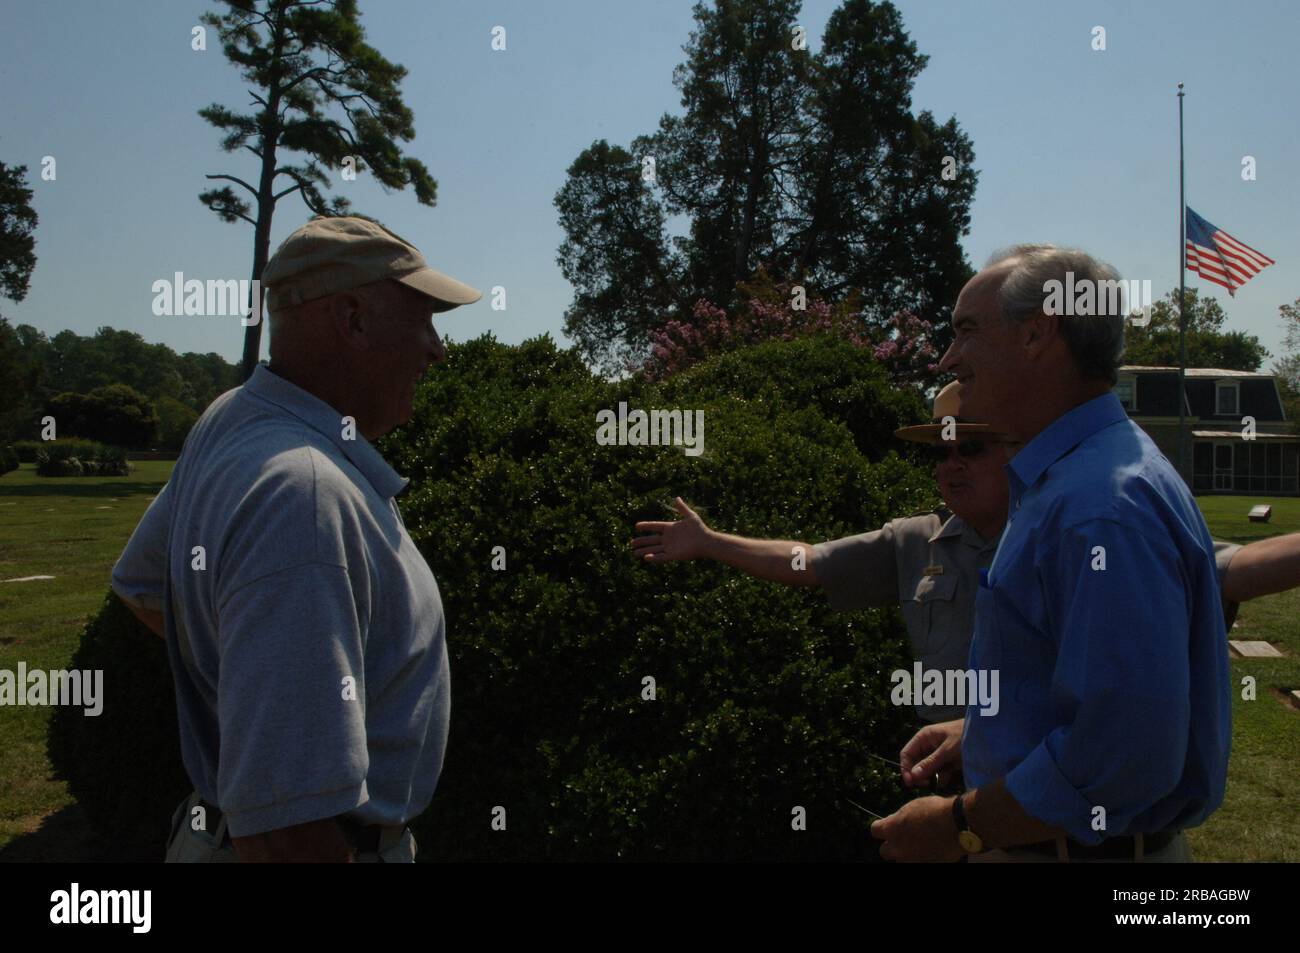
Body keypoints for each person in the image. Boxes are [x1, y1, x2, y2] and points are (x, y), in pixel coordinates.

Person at [110, 216, 480, 862]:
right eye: (422, 318)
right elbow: (287, 835)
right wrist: (282, 705)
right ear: (353, 319)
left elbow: (142, 585)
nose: (436, 348)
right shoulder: (305, 495)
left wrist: (273, 680)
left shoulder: (233, 421)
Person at [872, 244, 1230, 863]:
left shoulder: (1096, 507)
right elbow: (1095, 695)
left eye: (967, 332)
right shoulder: (1082, 478)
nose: (950, 357)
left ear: (1037, 334)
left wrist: (957, 824)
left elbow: (1123, 756)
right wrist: (993, 729)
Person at [631, 381, 1015, 724]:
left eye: (971, 448)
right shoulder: (917, 539)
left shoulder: (1051, 536)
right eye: (941, 454)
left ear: (1013, 451)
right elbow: (810, 562)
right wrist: (710, 541)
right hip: (950, 775)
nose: (953, 466)